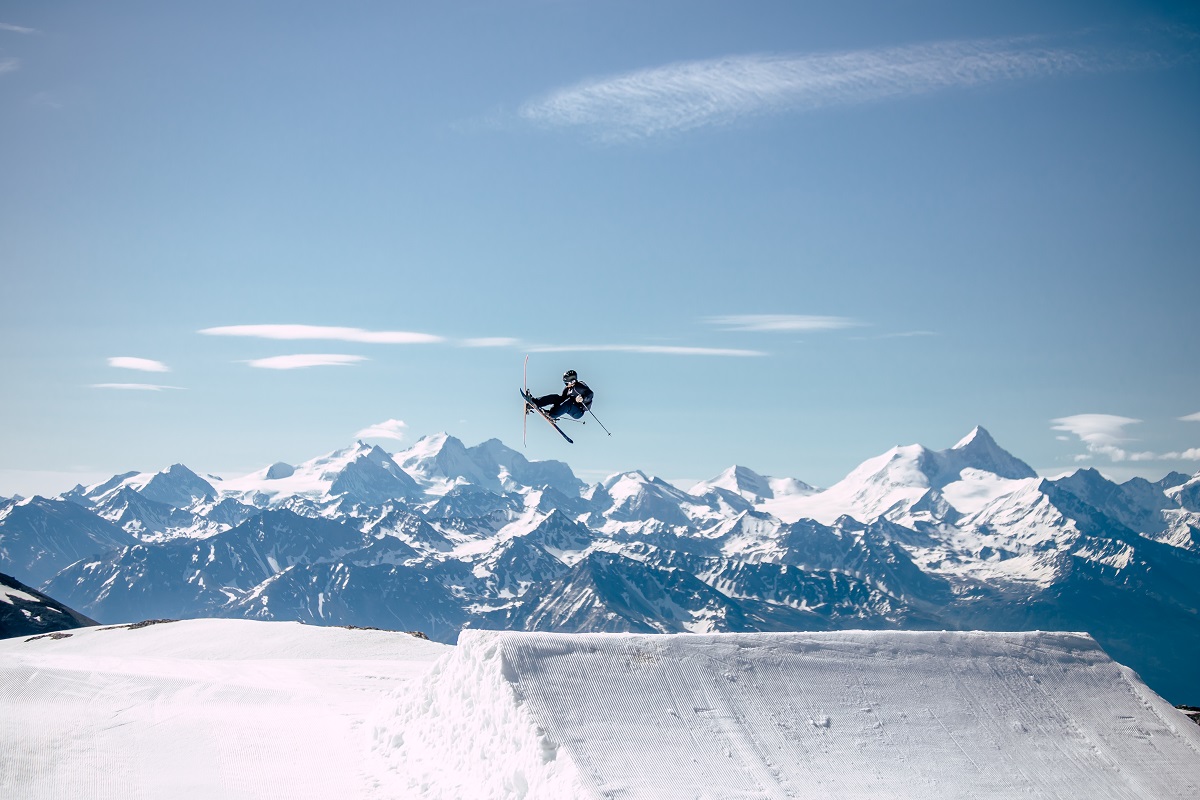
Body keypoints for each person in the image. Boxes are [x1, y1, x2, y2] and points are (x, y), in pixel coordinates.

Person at [528, 369, 594, 421]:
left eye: (567, 383)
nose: (566, 385)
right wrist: (553, 409)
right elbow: (560, 402)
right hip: (570, 405)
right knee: (556, 397)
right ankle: (535, 402)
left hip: (578, 412)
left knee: (569, 402)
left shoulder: (579, 386)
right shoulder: (567, 390)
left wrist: (583, 398)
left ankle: (552, 415)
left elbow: (590, 393)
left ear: (572, 381)